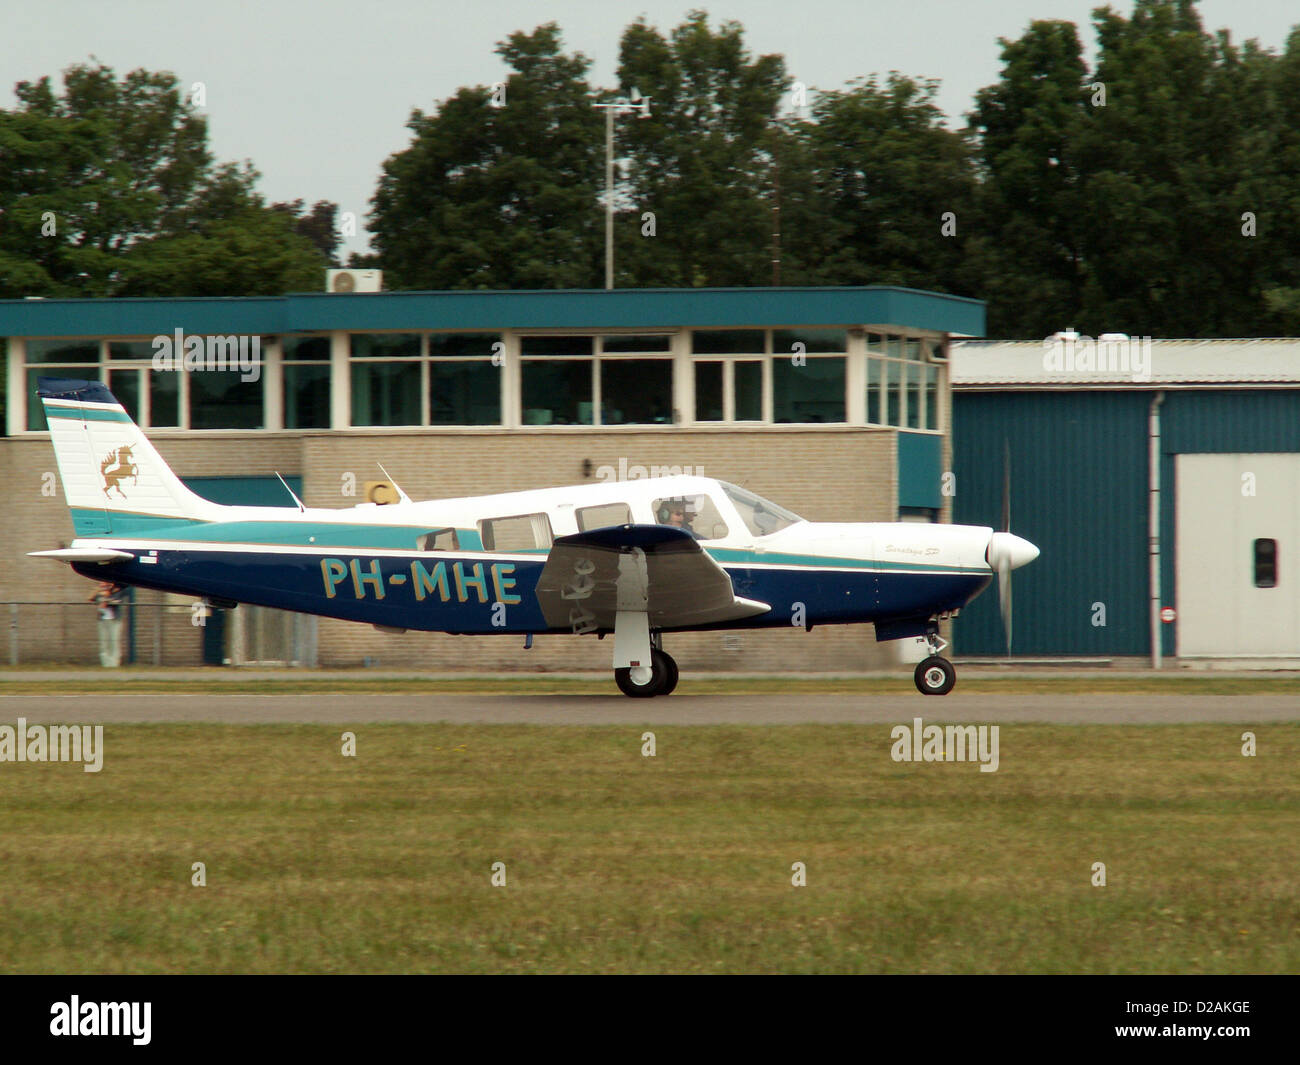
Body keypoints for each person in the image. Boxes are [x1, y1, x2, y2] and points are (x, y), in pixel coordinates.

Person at [88, 581, 126, 668]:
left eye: (106, 584)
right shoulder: (99, 593)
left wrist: (106, 599)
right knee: (104, 642)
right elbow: (92, 599)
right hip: (103, 621)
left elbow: (116, 601)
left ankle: (114, 664)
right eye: (102, 584)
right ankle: (106, 664)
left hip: (114, 621)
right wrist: (101, 594)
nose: (104, 585)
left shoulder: (117, 592)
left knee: (114, 642)